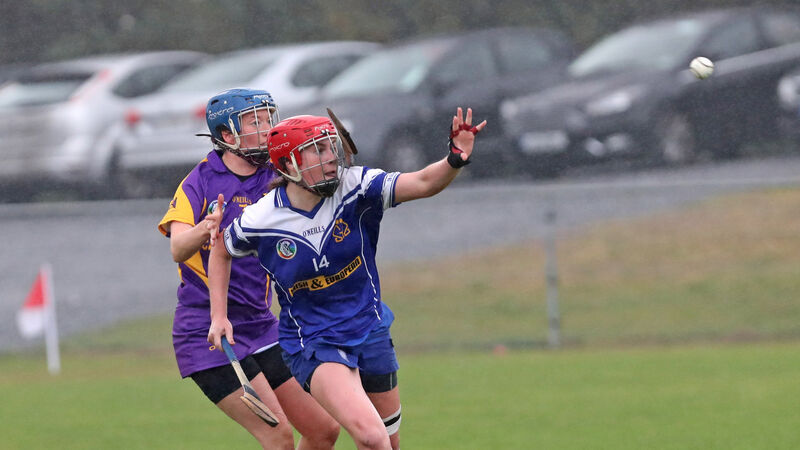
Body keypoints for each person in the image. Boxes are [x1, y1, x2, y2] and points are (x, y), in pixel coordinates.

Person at [208, 107, 486, 450]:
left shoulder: (356, 186)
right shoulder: (262, 217)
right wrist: (218, 316)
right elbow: (220, 250)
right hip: (314, 341)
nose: (331, 159)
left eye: (331, 148)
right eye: (319, 150)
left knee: (389, 444)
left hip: (370, 329)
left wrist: (455, 158)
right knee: (372, 438)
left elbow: (424, 182)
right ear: (290, 164)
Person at [158, 88, 339, 449]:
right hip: (206, 331)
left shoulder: (275, 173)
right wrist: (205, 228)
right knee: (279, 437)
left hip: (261, 324)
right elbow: (178, 249)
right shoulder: (201, 180)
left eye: (269, 118)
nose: (268, 127)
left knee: (323, 431)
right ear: (227, 135)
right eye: (255, 121)